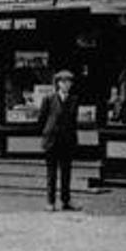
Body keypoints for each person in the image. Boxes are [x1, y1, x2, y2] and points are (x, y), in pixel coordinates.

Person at [38, 69, 81, 212]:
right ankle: (50, 202)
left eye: (69, 82)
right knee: (51, 173)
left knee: (66, 173)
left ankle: (66, 201)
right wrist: (46, 134)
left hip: (67, 141)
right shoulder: (49, 99)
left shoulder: (74, 100)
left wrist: (74, 139)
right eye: (63, 82)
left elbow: (73, 121)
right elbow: (42, 119)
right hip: (52, 140)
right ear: (58, 84)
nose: (66, 85)